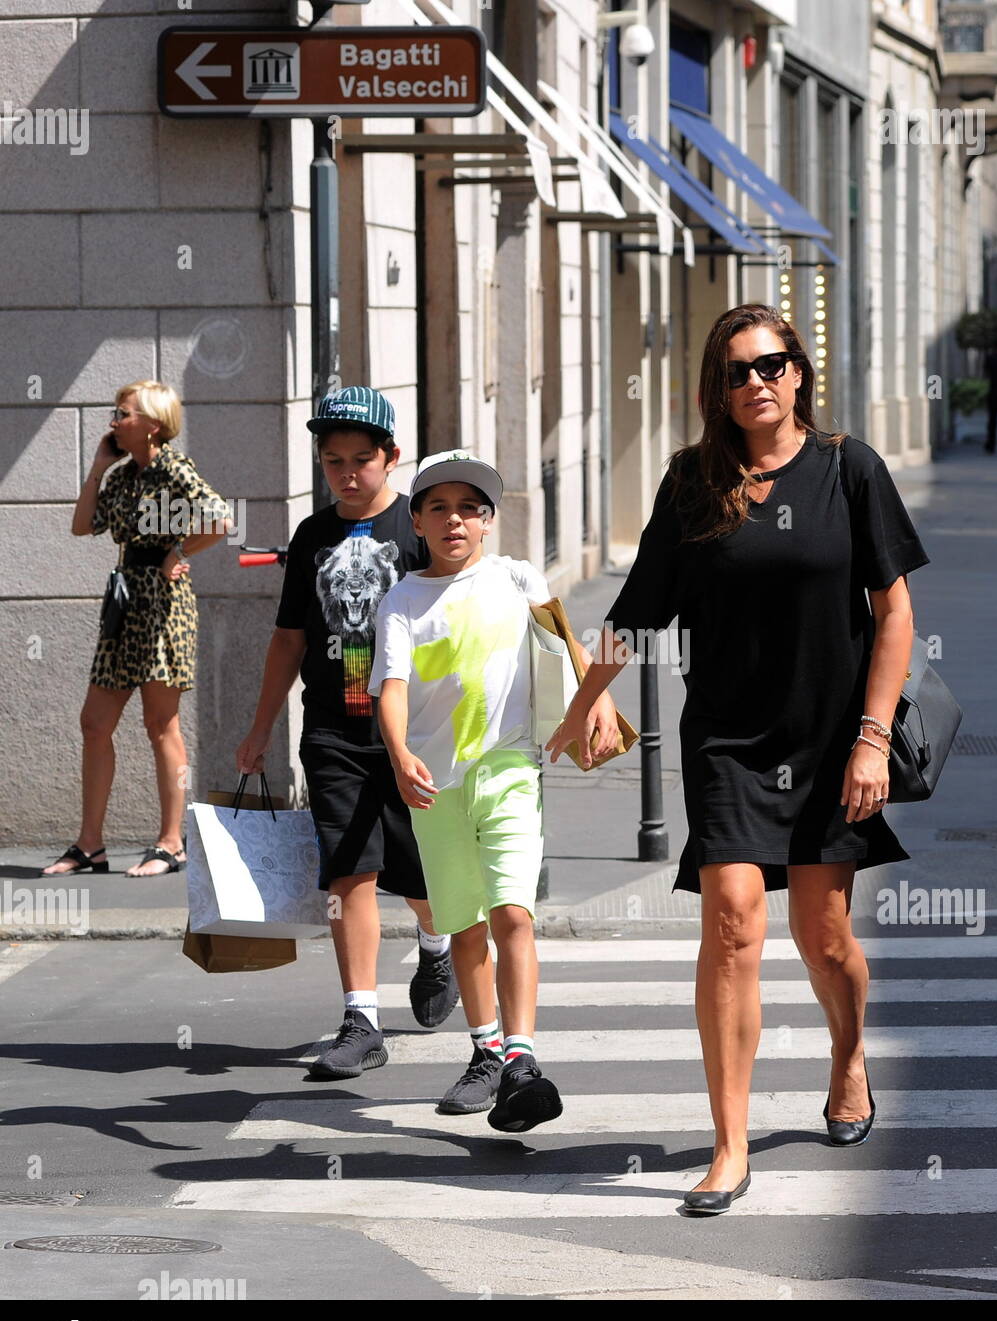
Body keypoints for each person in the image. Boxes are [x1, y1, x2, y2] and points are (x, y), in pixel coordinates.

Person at [546, 303, 929, 1214]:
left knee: (824, 938)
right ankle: (728, 1145)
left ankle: (848, 1059)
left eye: (770, 365)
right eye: (734, 371)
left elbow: (896, 612)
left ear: (798, 372)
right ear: (714, 390)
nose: (754, 382)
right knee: (731, 921)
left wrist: (873, 738)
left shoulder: (849, 469)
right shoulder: (692, 483)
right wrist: (581, 706)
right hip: (725, 740)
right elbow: (637, 610)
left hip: (832, 738)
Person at [370, 453, 618, 1129]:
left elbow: (566, 644)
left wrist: (592, 705)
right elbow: (390, 691)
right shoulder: (403, 599)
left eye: (470, 508)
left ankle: (521, 1057)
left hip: (510, 769)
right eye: (439, 507)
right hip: (434, 787)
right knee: (465, 927)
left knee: (513, 913)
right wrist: (398, 756)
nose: (455, 519)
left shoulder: (516, 578)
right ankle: (485, 1051)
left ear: (487, 521)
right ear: (416, 519)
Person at [236, 389, 457, 1080]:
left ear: (391, 457)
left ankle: (435, 941)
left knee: (419, 871)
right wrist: (261, 726)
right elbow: (289, 638)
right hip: (333, 727)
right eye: (334, 461)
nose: (348, 472)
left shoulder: (416, 527)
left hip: (411, 731)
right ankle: (361, 1019)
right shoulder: (312, 537)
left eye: (362, 459)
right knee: (348, 867)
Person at [46, 381, 232, 879]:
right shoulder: (125, 475)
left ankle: (172, 842)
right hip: (125, 601)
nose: (113, 420)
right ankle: (90, 844)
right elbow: (83, 526)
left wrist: (178, 553)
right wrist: (97, 468)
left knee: (160, 724)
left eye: (122, 413)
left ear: (152, 423)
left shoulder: (174, 467)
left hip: (164, 605)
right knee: (94, 722)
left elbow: (219, 518)